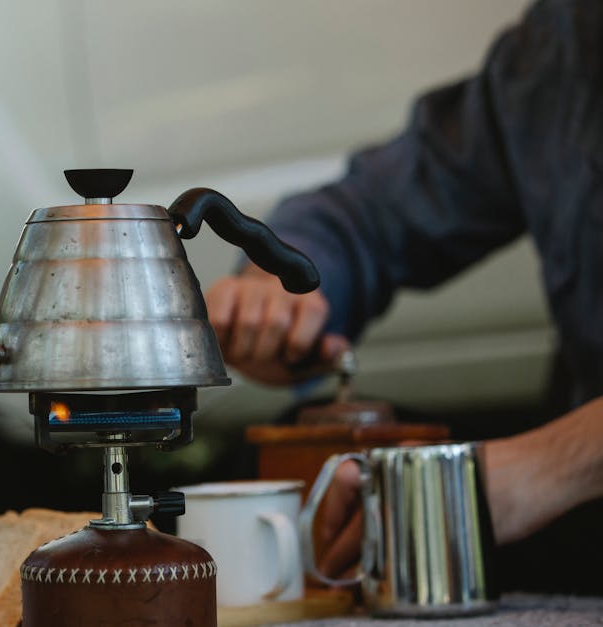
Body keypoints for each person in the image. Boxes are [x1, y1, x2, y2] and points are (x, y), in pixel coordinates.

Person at [204, 0, 603, 594]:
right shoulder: (568, 42)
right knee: (330, 483)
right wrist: (285, 289)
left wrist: (545, 466)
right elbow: (378, 211)